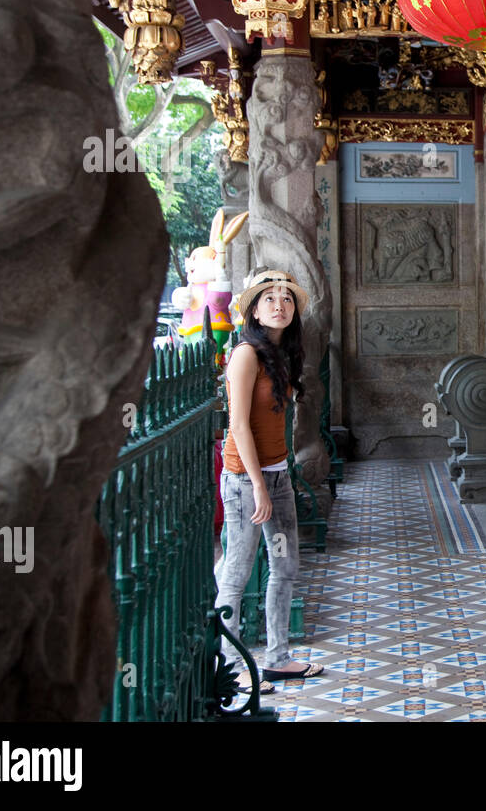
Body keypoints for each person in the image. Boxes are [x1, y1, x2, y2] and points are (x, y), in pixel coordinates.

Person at [214, 269, 325, 694]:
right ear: (255, 311)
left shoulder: (282, 356)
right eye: (269, 300)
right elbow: (238, 426)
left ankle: (278, 660)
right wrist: (259, 485)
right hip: (246, 480)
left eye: (287, 300)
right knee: (237, 573)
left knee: (284, 567)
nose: (279, 306)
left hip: (276, 474)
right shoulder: (246, 354)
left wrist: (276, 478)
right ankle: (232, 667)